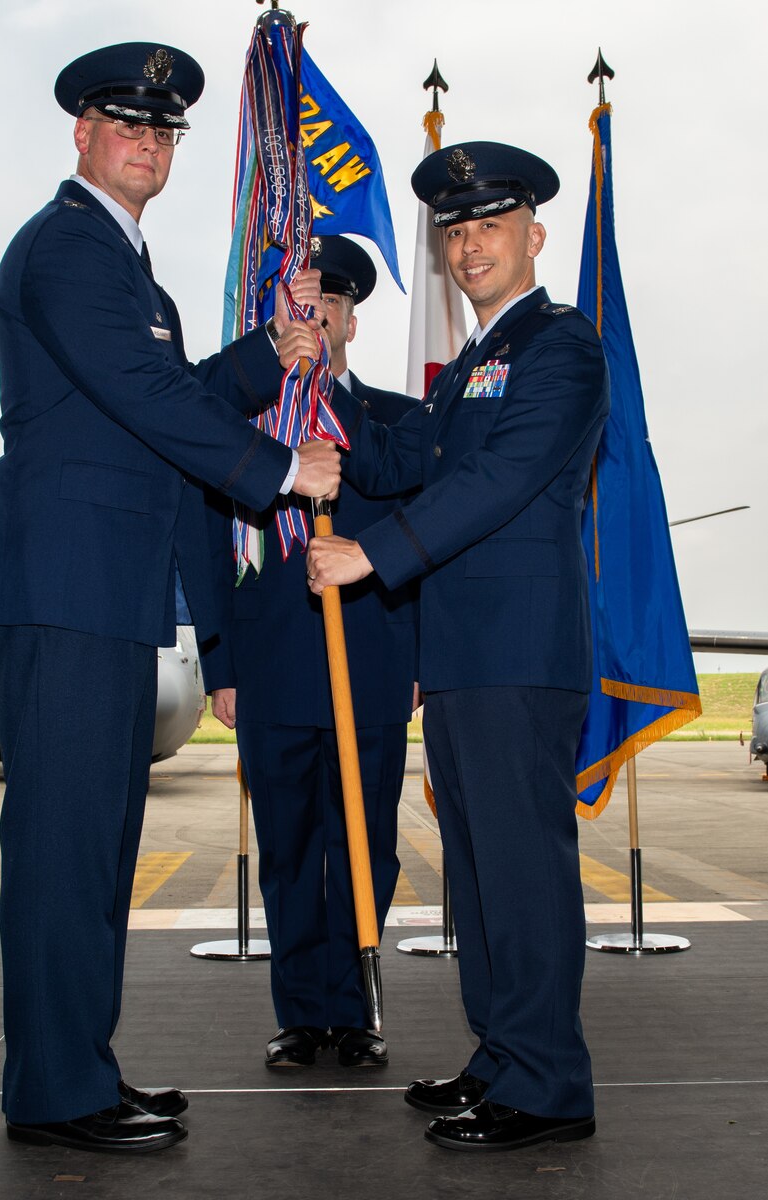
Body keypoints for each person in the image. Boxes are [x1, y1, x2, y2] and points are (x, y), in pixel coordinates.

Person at [0, 42, 340, 1155]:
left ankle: (78, 1068)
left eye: (165, 131)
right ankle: (56, 1092)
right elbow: (140, 395)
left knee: (94, 851)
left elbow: (167, 391)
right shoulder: (67, 250)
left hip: (106, 595)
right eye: (127, 123)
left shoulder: (129, 272)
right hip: (64, 587)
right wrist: (278, 471)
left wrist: (271, 350)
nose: (149, 142)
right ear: (80, 133)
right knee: (65, 850)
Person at [306, 143, 610, 1151]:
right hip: (468, 655)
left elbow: (499, 481)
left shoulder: (560, 348)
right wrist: (327, 384)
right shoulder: (474, 364)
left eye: (488, 226)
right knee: (478, 870)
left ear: (533, 236)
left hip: (519, 652)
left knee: (522, 869)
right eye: (454, 232)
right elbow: (407, 459)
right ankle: (502, 1054)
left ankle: (548, 1083)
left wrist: (371, 557)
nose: (469, 244)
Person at [204, 236, 419, 1069]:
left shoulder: (396, 420)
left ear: (350, 324)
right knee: (289, 845)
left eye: (328, 305)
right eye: (298, 303)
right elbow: (206, 544)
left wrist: (417, 661)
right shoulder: (232, 428)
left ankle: (356, 1010)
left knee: (363, 839)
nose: (314, 315)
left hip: (368, 660)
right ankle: (302, 1012)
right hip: (269, 664)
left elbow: (420, 533)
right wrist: (220, 665)